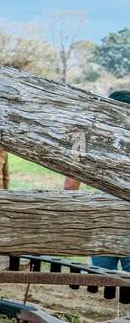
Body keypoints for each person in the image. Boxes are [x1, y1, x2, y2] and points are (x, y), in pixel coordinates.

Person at [64, 89, 130, 270]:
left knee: (103, 279)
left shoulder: (84, 134)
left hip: (102, 214)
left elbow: (71, 183)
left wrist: (68, 212)